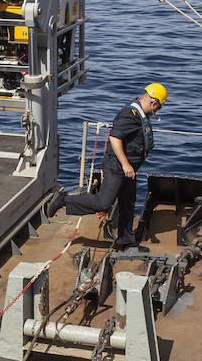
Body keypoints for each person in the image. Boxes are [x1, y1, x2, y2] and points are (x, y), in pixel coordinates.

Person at [46, 83, 167, 252]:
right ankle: (64, 199)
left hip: (128, 169)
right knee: (104, 202)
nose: (157, 112)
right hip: (117, 167)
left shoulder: (139, 115)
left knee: (127, 203)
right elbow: (115, 138)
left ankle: (126, 241)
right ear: (154, 104)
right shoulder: (130, 114)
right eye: (158, 108)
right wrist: (125, 164)